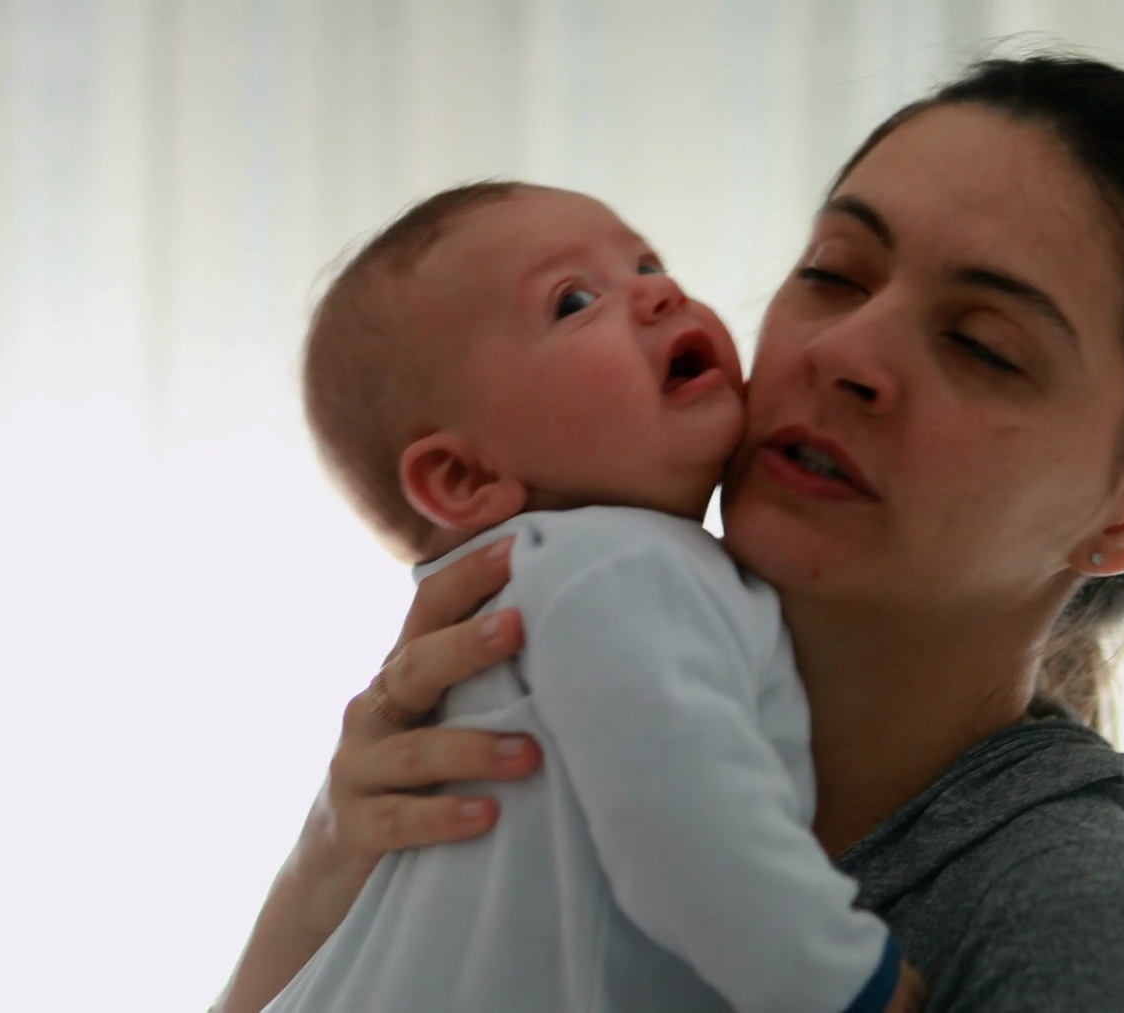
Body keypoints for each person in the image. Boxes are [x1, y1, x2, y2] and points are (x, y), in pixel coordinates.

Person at [214, 54, 1124, 1013]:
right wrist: (328, 873)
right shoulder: (482, 756)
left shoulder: (1076, 924)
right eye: (832, 273)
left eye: (982, 342)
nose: (847, 352)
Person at [269, 181, 920, 1013]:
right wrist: (846, 980)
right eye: (574, 301)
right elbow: (689, 828)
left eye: (647, 262)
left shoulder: (552, 589)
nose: (658, 292)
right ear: (464, 476)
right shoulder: (611, 565)